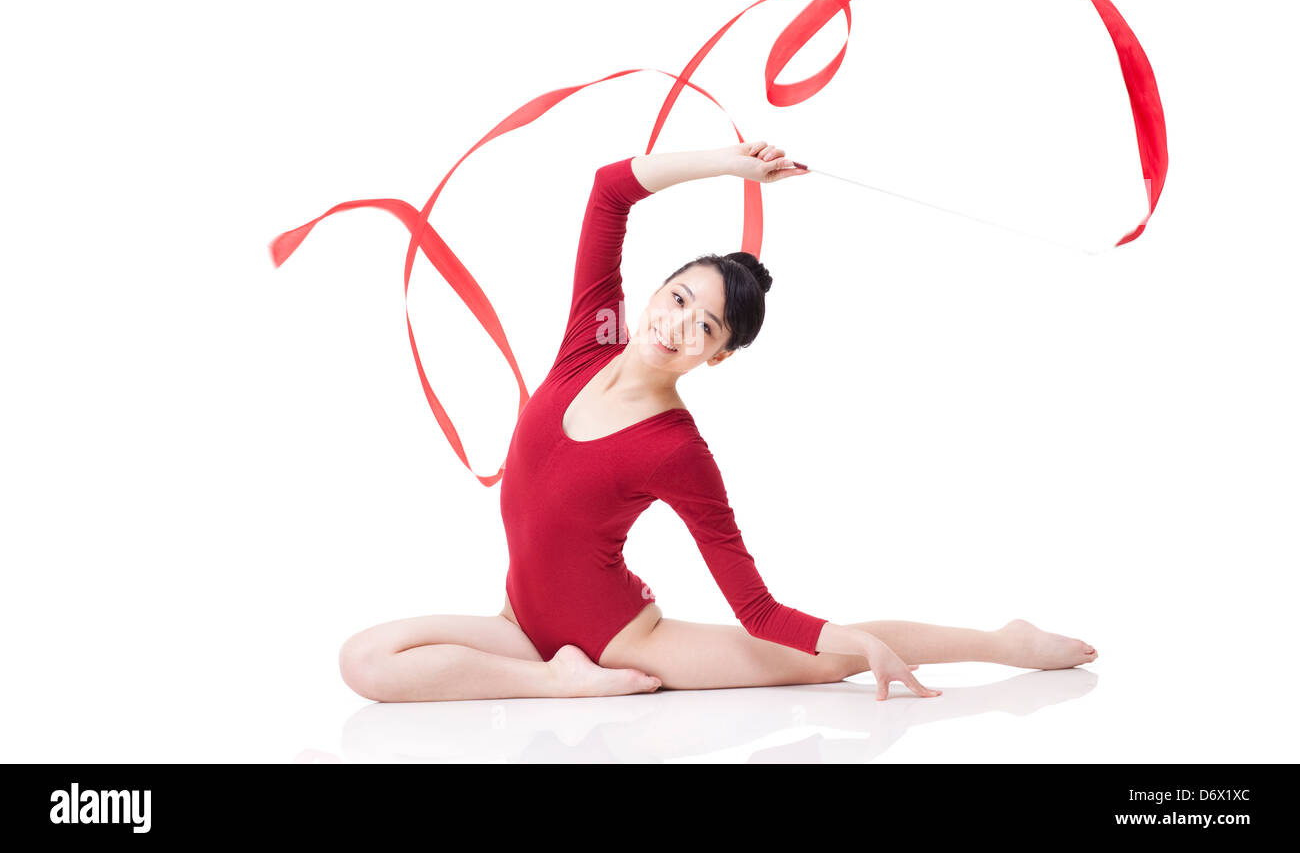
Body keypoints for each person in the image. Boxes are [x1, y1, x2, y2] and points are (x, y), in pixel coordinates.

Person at [338, 142, 1099, 703]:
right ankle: (553, 683)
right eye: (677, 299)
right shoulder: (589, 338)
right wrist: (734, 165)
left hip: (626, 640)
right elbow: (610, 190)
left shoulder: (675, 448)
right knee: (363, 662)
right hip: (521, 624)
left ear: (719, 356)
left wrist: (856, 640)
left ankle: (1005, 641)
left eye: (704, 328)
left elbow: (757, 610)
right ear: (657, 291)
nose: (676, 327)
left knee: (826, 663)